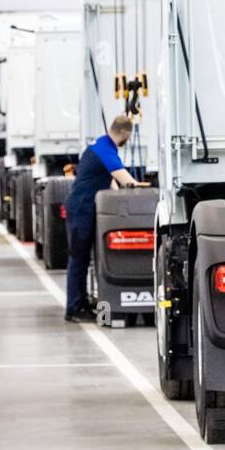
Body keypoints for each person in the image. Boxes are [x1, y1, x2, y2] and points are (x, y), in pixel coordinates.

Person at [64, 115, 141, 323]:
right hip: (81, 209)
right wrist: (139, 187)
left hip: (81, 208)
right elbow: (123, 178)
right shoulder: (105, 149)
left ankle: (80, 302)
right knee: (78, 258)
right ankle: (74, 308)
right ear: (124, 133)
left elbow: (110, 180)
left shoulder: (100, 144)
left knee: (81, 258)